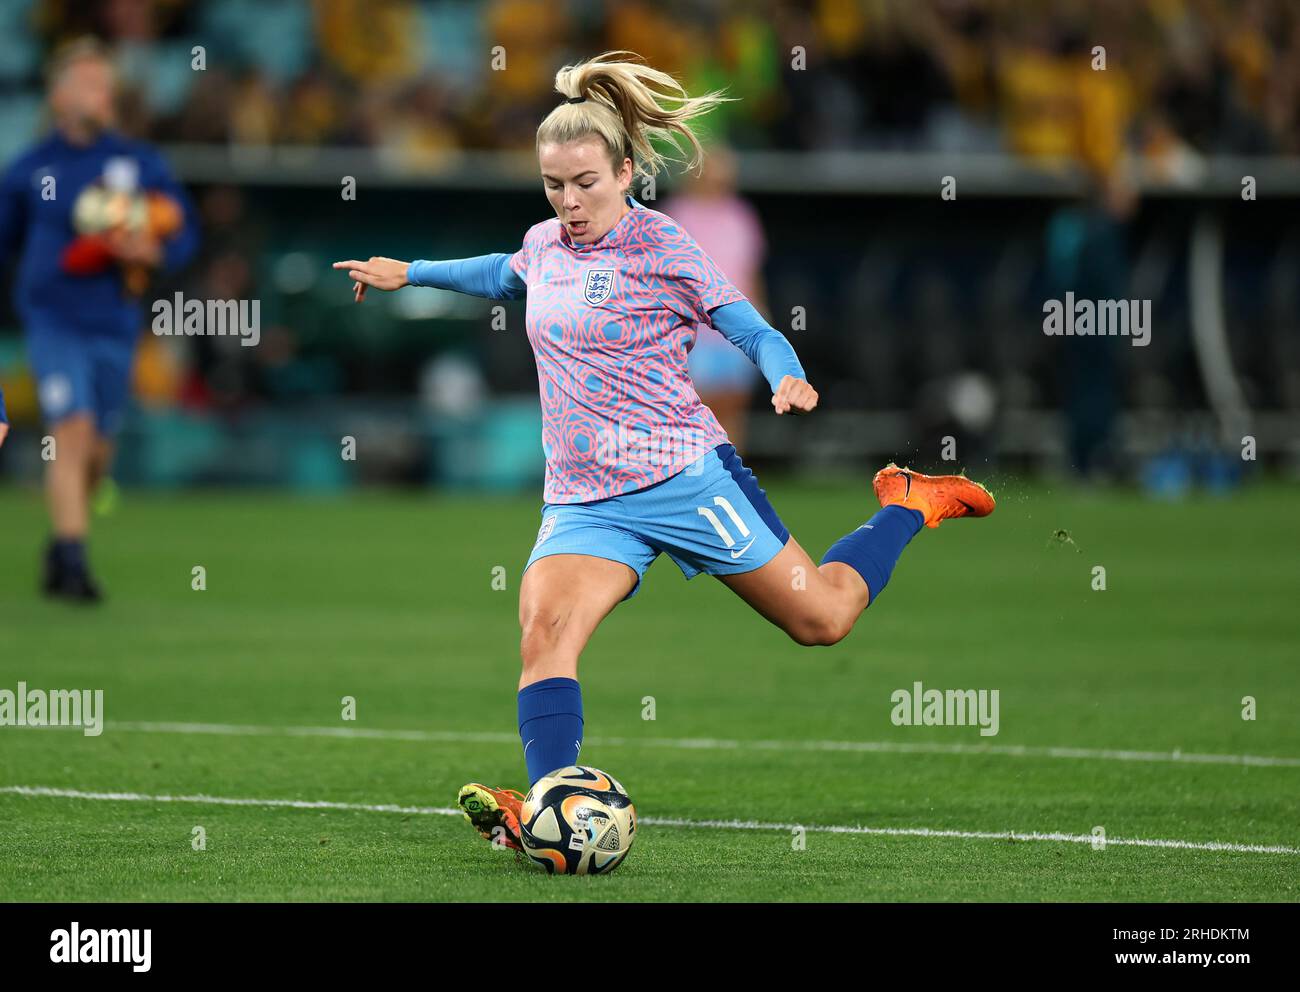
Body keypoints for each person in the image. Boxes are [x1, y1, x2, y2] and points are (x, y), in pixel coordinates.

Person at [333, 52, 994, 863]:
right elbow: (506, 277)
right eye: (552, 185)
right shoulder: (546, 244)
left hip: (685, 477)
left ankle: (907, 503)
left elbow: (751, 327)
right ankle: (548, 802)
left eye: (584, 182)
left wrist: (784, 375)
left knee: (823, 619)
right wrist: (415, 273)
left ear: (624, 169)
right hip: (583, 501)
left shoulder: (664, 246)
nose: (568, 202)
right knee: (544, 633)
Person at [0, 38, 199, 601]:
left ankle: (62, 537)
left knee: (98, 453)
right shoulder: (29, 169)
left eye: (105, 84)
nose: (101, 93)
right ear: (59, 95)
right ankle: (72, 564)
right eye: (88, 83)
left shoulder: (138, 162)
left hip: (113, 323)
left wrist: (154, 253)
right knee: (72, 428)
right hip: (52, 319)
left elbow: (184, 231)